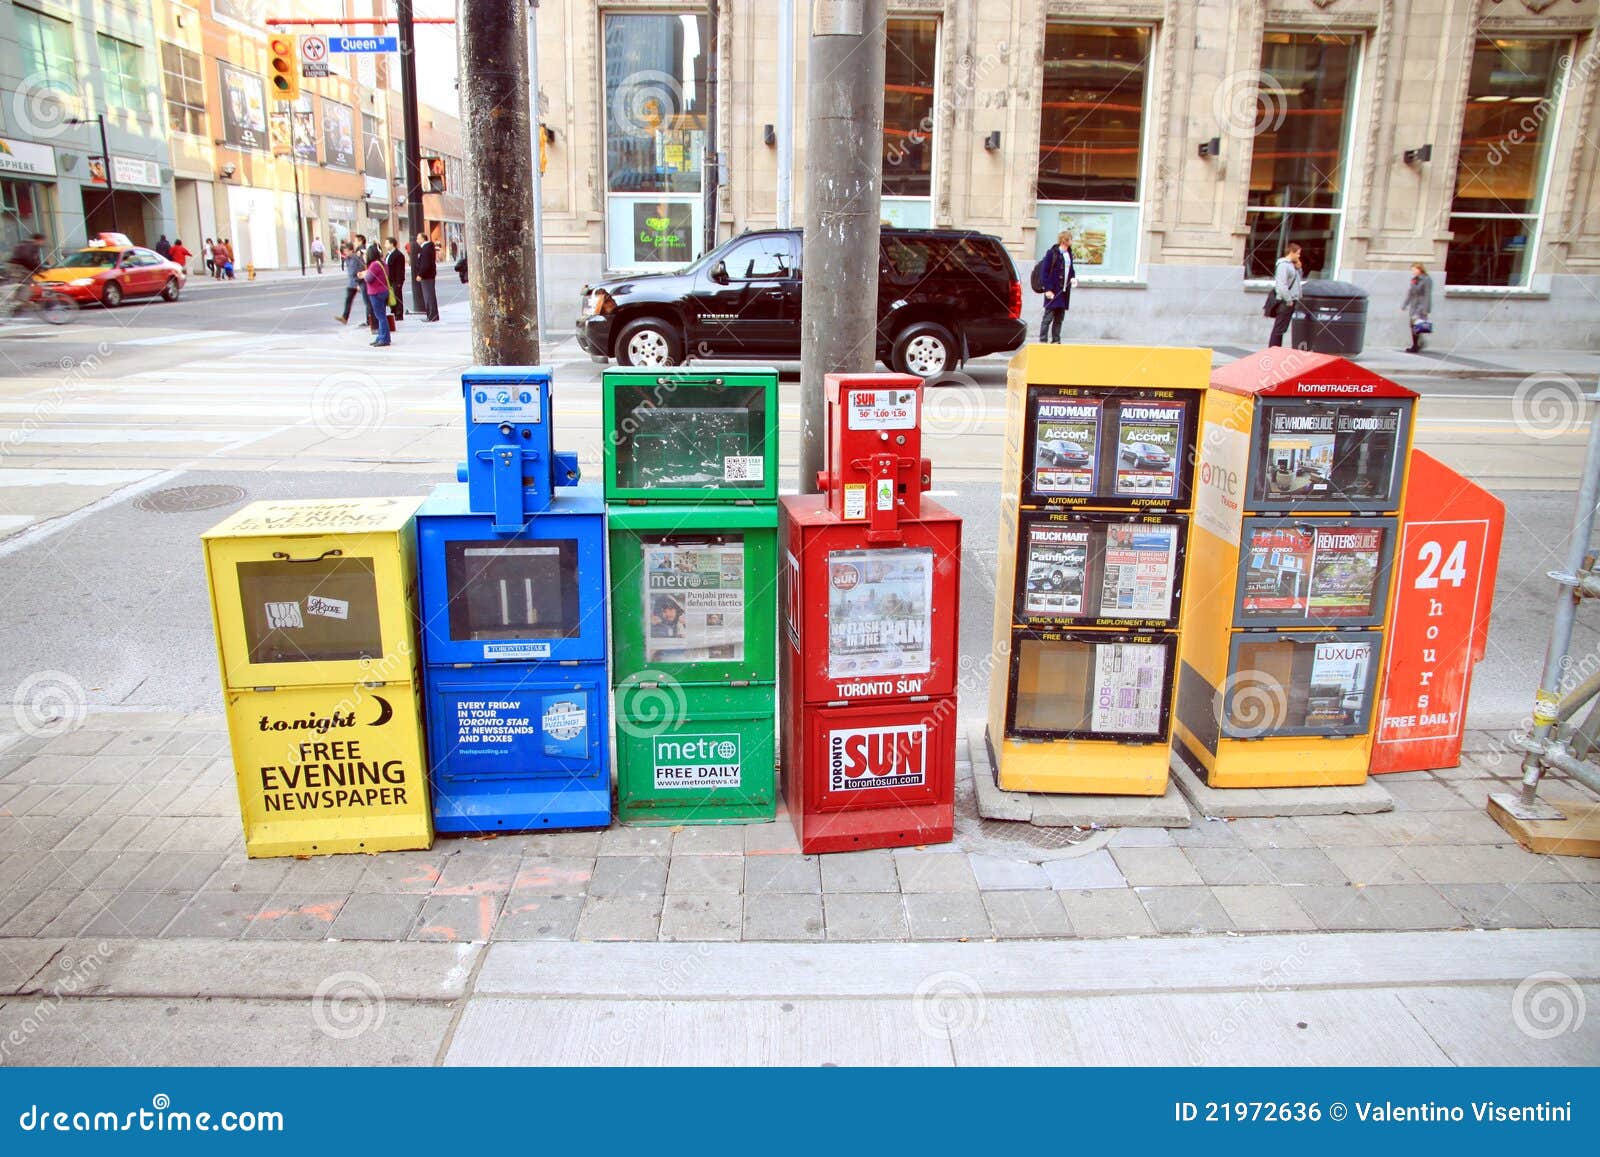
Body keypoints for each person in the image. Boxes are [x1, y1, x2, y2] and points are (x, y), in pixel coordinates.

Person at [1037, 230, 1076, 344]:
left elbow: (1071, 269)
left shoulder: (1069, 253)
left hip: (1063, 292)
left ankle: (1056, 340)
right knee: (1048, 317)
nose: (1072, 241)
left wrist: (1073, 278)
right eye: (1070, 239)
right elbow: (1044, 272)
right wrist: (1047, 289)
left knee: (1059, 318)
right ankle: (1043, 340)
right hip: (1053, 290)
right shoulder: (1052, 253)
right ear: (1065, 240)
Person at [1267, 242, 1302, 348]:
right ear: (1292, 252)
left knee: (1282, 328)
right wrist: (1288, 300)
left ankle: (1277, 348)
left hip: (1291, 300)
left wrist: (1298, 267)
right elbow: (1282, 285)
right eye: (1298, 253)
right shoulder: (1283, 265)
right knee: (1279, 327)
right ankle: (1273, 349)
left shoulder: (1292, 265)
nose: (1299, 256)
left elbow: (1297, 280)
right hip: (1285, 301)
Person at [362, 243, 391, 347]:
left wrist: (364, 274)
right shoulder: (382, 263)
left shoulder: (374, 265)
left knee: (380, 317)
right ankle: (381, 337)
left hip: (375, 292)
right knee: (382, 315)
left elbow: (368, 279)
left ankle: (384, 339)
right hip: (383, 291)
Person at [1402, 262, 1433, 353]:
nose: (1413, 272)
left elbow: (1427, 294)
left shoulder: (1427, 279)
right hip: (1414, 305)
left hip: (1421, 305)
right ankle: (1419, 343)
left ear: (1420, 269)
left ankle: (1416, 345)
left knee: (1416, 325)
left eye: (1414, 270)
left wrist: (1426, 309)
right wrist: (1405, 304)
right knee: (1413, 325)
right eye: (1412, 270)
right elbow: (1410, 292)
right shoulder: (1414, 280)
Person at [412, 232, 439, 321]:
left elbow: (425, 264)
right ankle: (433, 315)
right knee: (430, 295)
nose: (417, 240)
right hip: (429, 275)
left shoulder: (426, 248)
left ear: (423, 239)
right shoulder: (427, 247)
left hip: (427, 276)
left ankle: (432, 316)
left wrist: (420, 274)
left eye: (418, 238)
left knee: (429, 296)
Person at [334, 242, 362, 324]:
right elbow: (341, 254)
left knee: (367, 301)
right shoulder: (347, 259)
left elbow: (360, 270)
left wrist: (359, 284)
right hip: (351, 284)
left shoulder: (356, 258)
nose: (345, 252)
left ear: (351, 251)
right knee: (348, 300)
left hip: (358, 282)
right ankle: (344, 318)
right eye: (344, 251)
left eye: (346, 250)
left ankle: (371, 318)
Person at [384, 237, 405, 322]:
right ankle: (393, 311)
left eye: (386, 243)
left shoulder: (398, 255)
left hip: (396, 280)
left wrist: (399, 281)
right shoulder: (388, 254)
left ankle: (399, 314)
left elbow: (400, 269)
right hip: (389, 279)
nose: (385, 245)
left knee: (397, 296)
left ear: (392, 244)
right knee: (391, 296)